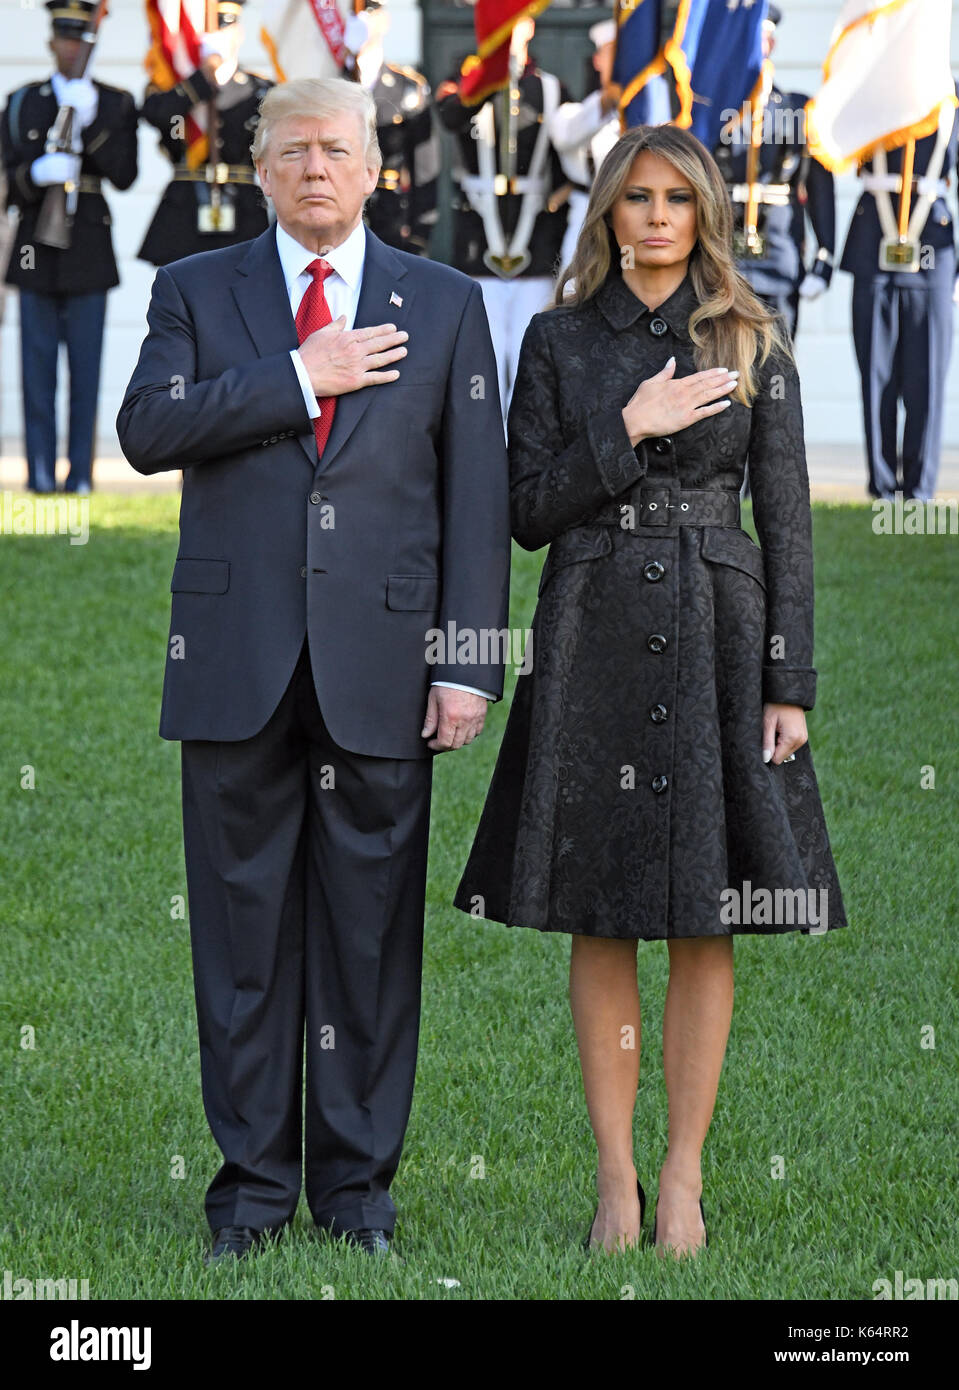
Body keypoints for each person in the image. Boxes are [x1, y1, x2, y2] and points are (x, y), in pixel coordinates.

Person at [118, 77, 510, 1264]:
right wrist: (300, 376)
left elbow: (475, 503)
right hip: (236, 664)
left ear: (374, 164)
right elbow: (149, 430)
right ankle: (246, 1193)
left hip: (385, 670)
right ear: (260, 166)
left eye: (334, 151)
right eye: (290, 153)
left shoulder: (444, 305)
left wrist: (468, 667)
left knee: (370, 940)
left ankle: (356, 1194)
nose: (314, 171)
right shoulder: (194, 289)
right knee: (242, 939)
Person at [454, 123, 847, 1258]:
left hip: (718, 636)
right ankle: (615, 1183)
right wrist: (624, 430)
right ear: (609, 214)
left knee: (704, 912)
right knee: (602, 911)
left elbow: (785, 522)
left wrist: (790, 679)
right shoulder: (555, 339)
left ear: (705, 211)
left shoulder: (750, 336)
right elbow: (525, 509)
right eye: (638, 198)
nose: (659, 215)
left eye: (679, 197)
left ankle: (683, 1180)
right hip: (588, 629)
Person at [1, 0, 137, 494]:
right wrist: (35, 174)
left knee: (85, 373)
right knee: (37, 374)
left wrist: (91, 125)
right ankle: (39, 474)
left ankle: (80, 475)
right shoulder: (22, 102)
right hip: (35, 249)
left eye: (81, 36)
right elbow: (8, 182)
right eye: (64, 35)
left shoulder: (115, 102)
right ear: (50, 42)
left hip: (88, 253)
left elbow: (125, 174)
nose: (72, 45)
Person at [436, 16, 570, 415]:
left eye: (519, 21)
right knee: (484, 362)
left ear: (530, 27)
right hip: (479, 246)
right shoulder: (466, 81)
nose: (512, 30)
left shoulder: (549, 89)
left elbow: (566, 165)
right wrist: (485, 77)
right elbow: (449, 116)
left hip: (535, 244)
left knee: (531, 359)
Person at [838, 77, 959, 501]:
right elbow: (835, 146)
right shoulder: (871, 91)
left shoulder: (952, 98)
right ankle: (883, 488)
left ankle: (920, 491)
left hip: (934, 248)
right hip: (875, 241)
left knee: (926, 379)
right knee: (877, 376)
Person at [712, 4, 835, 343]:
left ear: (771, 45)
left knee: (777, 374)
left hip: (779, 254)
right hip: (722, 258)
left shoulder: (797, 108)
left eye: (759, 41)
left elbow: (819, 188)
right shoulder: (710, 107)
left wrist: (824, 258)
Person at [138, 0, 272, 267]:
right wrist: (201, 79)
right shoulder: (176, 84)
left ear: (240, 31)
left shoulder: (262, 90)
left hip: (243, 214)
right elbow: (155, 114)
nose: (218, 34)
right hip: (184, 213)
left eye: (226, 25)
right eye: (210, 27)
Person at [342, 1, 439, 256]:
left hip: (393, 221)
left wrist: (420, 233)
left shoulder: (407, 88)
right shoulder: (331, 82)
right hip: (338, 219)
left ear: (384, 20)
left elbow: (424, 168)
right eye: (354, 15)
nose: (360, 22)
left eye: (369, 13)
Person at [549, 18, 621, 280]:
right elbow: (567, 135)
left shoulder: (650, 114)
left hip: (635, 214)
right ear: (597, 60)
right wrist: (607, 102)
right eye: (612, 53)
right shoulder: (573, 113)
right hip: (586, 216)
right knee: (575, 290)